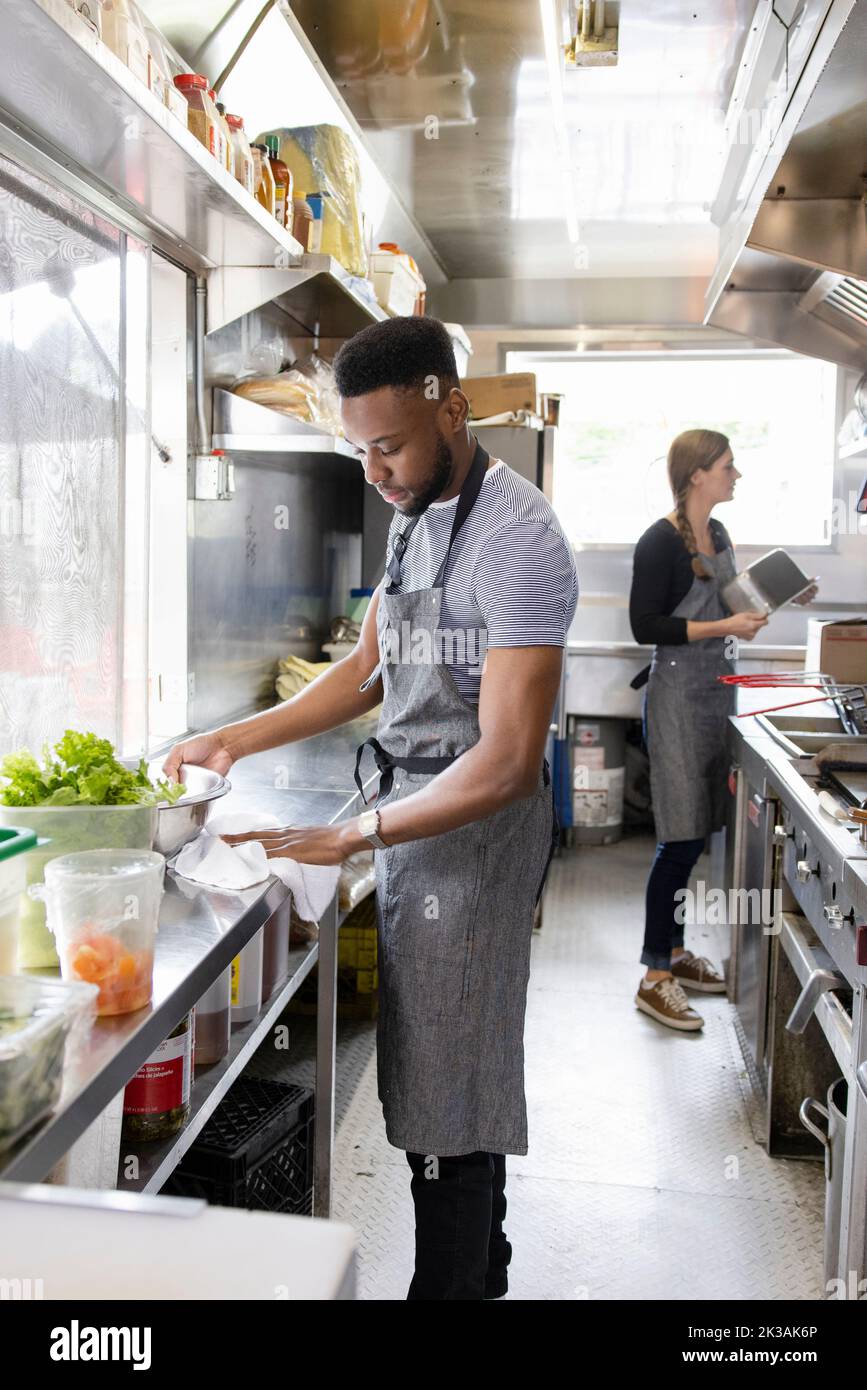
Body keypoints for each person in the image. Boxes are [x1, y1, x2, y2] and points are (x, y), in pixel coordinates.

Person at [164, 317, 578, 1299]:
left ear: (453, 408)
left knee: (443, 1105)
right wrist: (234, 739)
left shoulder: (518, 544)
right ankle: (489, 1277)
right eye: (362, 450)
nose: (379, 471)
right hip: (407, 823)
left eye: (390, 445)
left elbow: (513, 758)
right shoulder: (413, 514)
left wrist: (351, 831)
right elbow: (365, 672)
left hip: (470, 842)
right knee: (454, 1081)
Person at [628, 430, 765, 1032]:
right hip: (679, 695)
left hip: (719, 692)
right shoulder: (659, 541)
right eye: (728, 467)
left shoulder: (721, 535)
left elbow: (731, 597)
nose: (737, 475)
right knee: (678, 837)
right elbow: (645, 625)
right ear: (697, 476)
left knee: (699, 831)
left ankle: (677, 955)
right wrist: (727, 624)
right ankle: (654, 976)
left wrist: (762, 605)